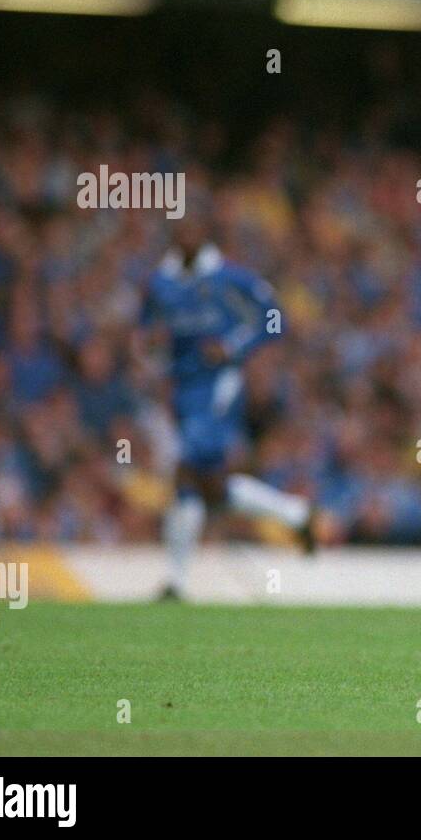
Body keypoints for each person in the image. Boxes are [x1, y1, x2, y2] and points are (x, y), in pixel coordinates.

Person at [138, 212, 330, 599]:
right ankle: (295, 514)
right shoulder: (160, 282)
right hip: (182, 388)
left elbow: (276, 318)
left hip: (219, 385)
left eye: (193, 226)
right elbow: (146, 330)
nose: (186, 234)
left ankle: (176, 582)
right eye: (179, 227)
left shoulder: (231, 278)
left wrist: (233, 347)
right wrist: (152, 343)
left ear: (205, 232)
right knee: (211, 488)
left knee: (186, 471)